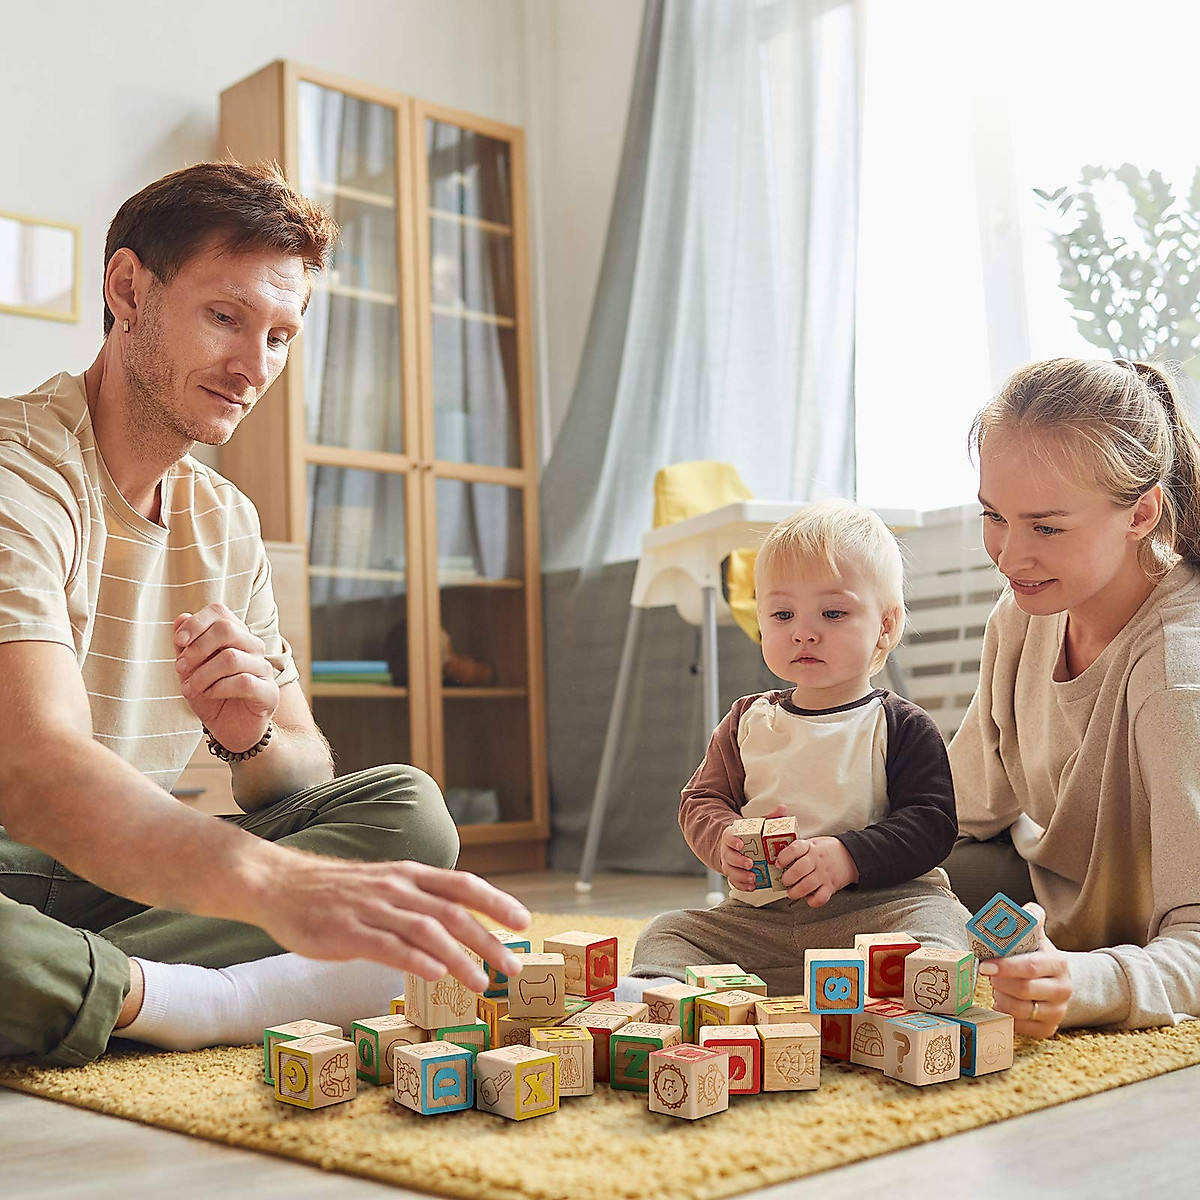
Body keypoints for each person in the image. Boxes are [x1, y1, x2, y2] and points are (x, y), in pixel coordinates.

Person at [0, 161, 529, 1065]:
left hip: (119, 877)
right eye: (226, 317)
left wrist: (248, 738)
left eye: (281, 336)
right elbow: (35, 768)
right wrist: (277, 889)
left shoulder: (225, 520)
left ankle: (82, 989)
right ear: (128, 289)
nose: (255, 367)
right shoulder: (22, 469)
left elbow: (297, 775)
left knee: (407, 812)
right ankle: (207, 998)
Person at [945, 357, 1200, 1039]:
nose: (1008, 555)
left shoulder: (1177, 676)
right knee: (863, 883)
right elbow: (964, 803)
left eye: (1046, 528)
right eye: (993, 516)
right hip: (1045, 895)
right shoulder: (1022, 615)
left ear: (1141, 513)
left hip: (1148, 941)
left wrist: (1086, 983)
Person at [624, 500, 969, 997]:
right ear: (762, 623)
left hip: (877, 911)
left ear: (886, 626)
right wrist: (725, 841)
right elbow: (700, 802)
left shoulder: (901, 724)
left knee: (939, 922)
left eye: (833, 612)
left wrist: (847, 857)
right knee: (668, 930)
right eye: (783, 613)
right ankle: (667, 994)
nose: (803, 631)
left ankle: (907, 997)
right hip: (760, 919)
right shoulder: (747, 721)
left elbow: (932, 824)